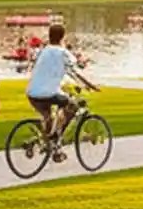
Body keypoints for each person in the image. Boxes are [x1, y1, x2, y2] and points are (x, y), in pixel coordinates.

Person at [25, 24, 96, 162]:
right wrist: (89, 85)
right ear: (63, 37)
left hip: (32, 93)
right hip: (49, 93)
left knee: (48, 117)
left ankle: (47, 145)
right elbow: (74, 71)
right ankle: (57, 141)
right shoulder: (63, 53)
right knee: (72, 106)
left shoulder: (42, 51)